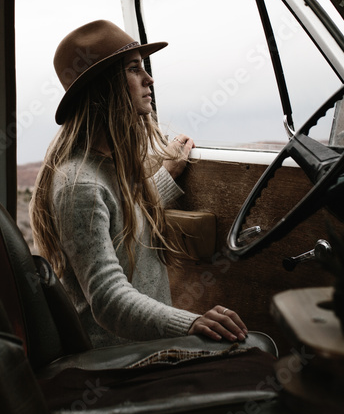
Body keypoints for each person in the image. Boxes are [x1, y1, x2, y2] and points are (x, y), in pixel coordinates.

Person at [30, 19, 249, 348]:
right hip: (115, 361)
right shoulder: (79, 184)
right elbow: (108, 299)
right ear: (106, 86)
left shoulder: (104, 169)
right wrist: (192, 322)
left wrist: (167, 174)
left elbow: (125, 218)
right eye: (134, 69)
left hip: (134, 346)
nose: (149, 79)